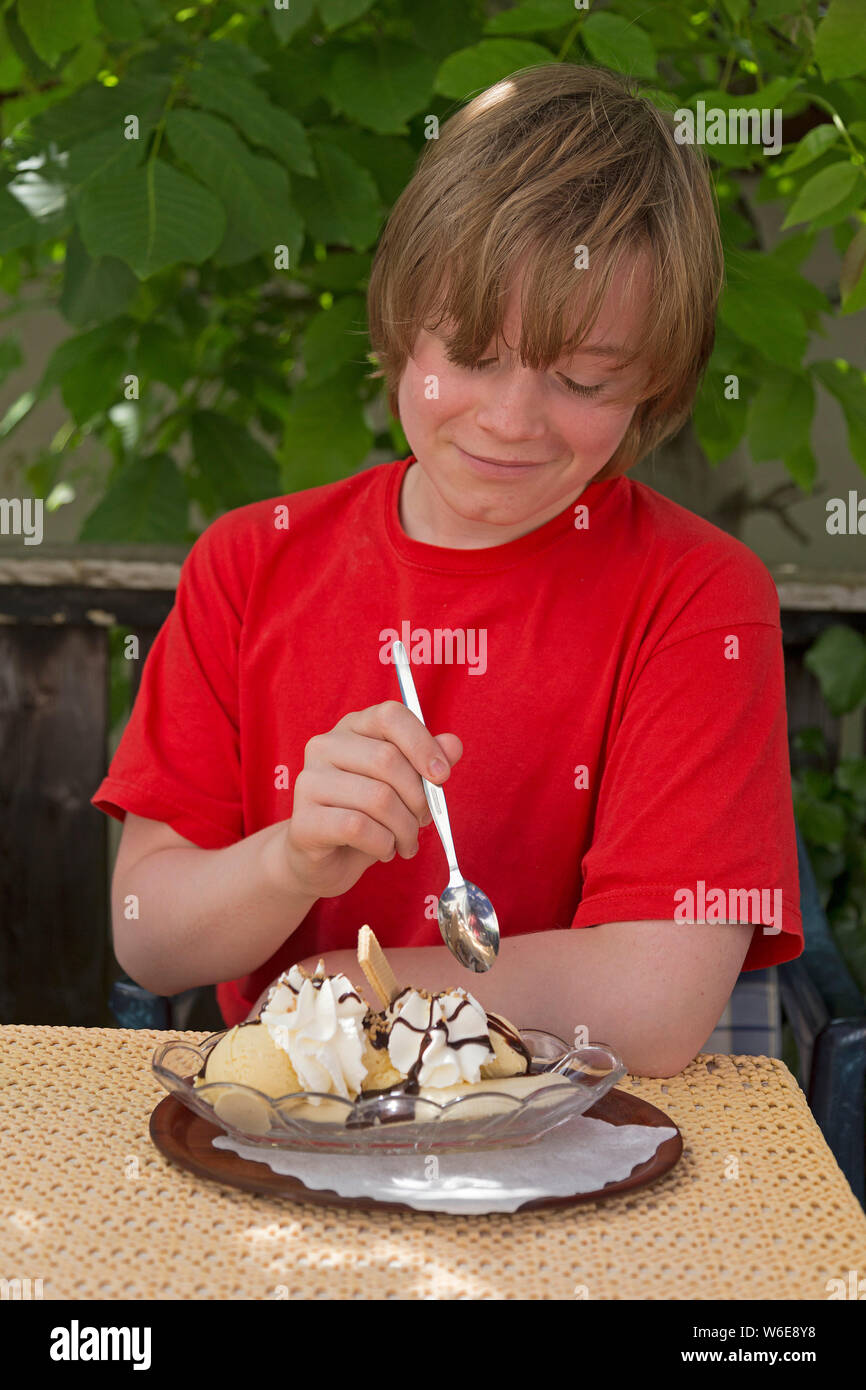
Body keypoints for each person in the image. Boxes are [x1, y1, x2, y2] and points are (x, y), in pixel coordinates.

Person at [91, 64, 803, 1076]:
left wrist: (343, 978)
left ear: (654, 381)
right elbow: (147, 934)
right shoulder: (252, 565)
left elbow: (655, 1005)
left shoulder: (696, 595)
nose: (509, 422)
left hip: (578, 1141)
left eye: (581, 379)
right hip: (298, 1132)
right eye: (468, 356)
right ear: (396, 322)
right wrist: (288, 860)